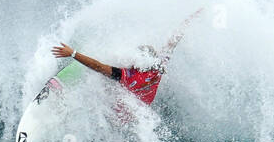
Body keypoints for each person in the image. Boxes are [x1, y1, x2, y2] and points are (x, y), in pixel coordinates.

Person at [51, 9, 202, 108]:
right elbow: (173, 41)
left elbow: (98, 66)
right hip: (139, 110)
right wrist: (190, 20)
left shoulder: (128, 76)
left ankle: (65, 100)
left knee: (101, 78)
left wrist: (73, 53)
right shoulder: (158, 68)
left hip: (119, 116)